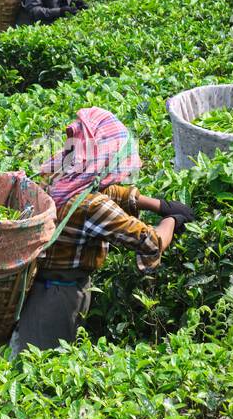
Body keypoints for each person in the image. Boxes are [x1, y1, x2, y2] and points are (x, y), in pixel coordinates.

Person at [10, 108, 196, 355]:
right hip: (58, 299)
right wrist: (171, 220)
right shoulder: (91, 206)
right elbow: (150, 241)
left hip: (35, 290)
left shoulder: (55, 177)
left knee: (26, 355)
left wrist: (157, 204)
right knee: (45, 366)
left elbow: (106, 191)